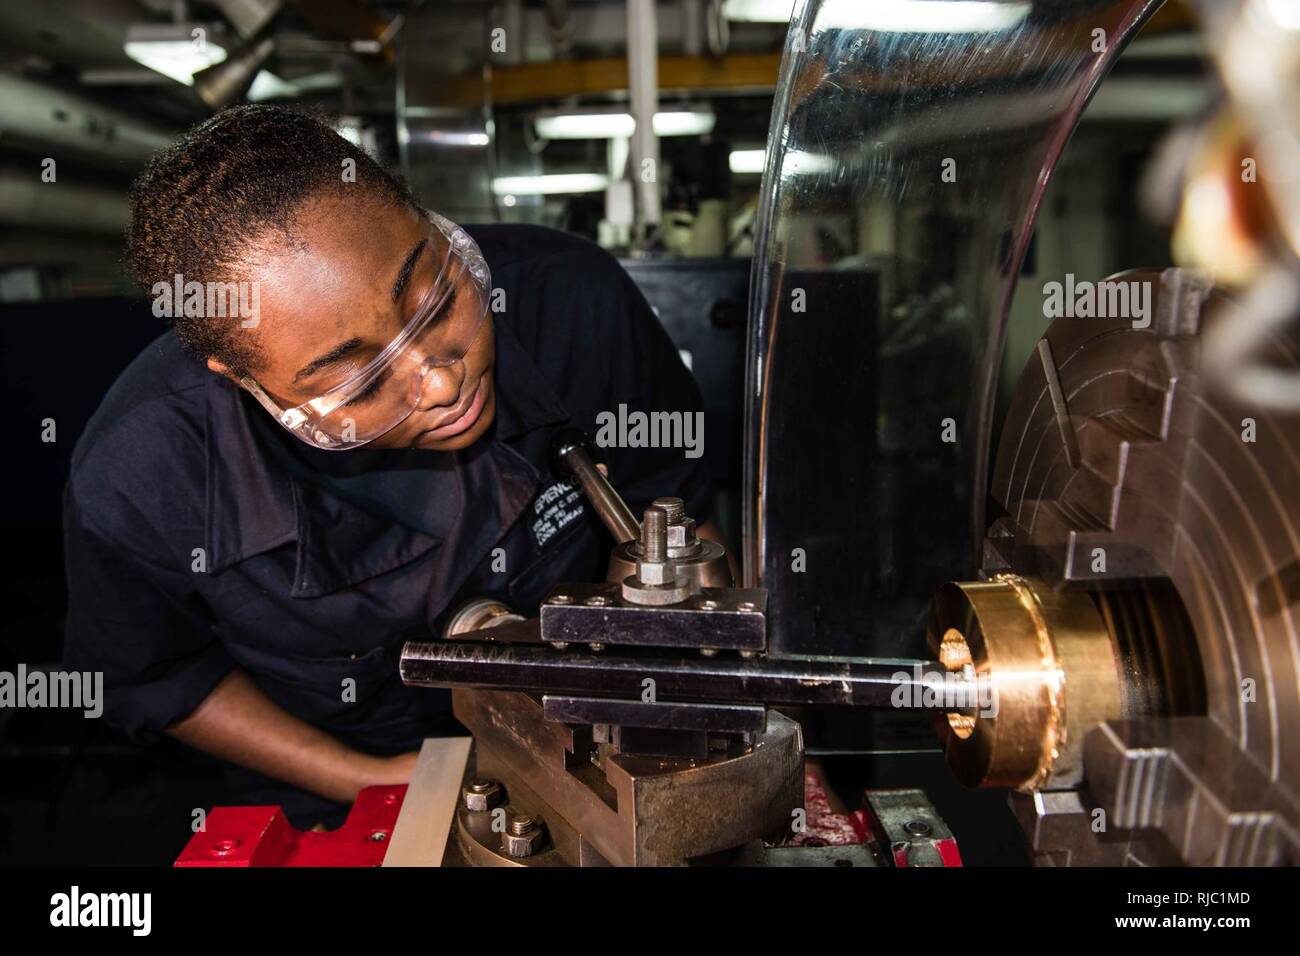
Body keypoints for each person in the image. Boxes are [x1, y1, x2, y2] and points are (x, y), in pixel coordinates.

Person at [62, 105, 717, 827]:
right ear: (240, 377)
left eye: (437, 303)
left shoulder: (570, 302)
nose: (441, 383)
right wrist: (375, 781)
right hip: (337, 782)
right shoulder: (144, 470)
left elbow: (672, 507)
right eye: (361, 383)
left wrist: (654, 717)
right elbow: (160, 676)